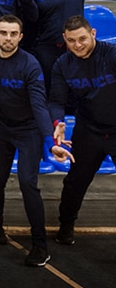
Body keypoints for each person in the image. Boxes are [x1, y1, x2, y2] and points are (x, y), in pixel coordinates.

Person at [0, 15, 72, 267]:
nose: (8, 38)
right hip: (2, 130)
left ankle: (40, 245)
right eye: (3, 33)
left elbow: (40, 106)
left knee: (28, 184)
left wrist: (49, 141)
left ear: (20, 36)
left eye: (13, 34)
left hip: (28, 131)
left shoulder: (30, 65)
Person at [50, 16, 116, 247]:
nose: (78, 45)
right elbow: (56, 100)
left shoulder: (111, 54)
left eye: (82, 39)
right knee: (75, 183)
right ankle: (66, 226)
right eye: (71, 41)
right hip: (88, 131)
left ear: (93, 34)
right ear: (64, 40)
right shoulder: (62, 65)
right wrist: (58, 122)